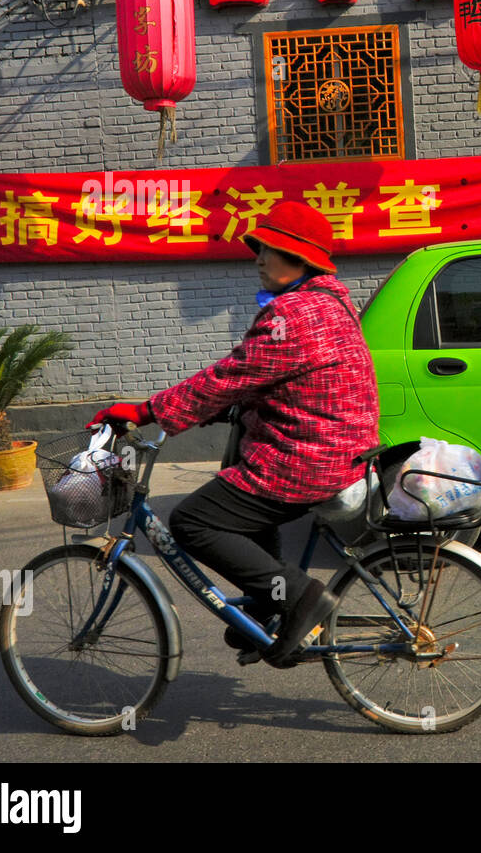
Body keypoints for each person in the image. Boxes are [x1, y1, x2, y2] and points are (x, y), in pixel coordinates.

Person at [89, 201, 379, 667]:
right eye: (258, 249)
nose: (258, 259)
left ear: (299, 258)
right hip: (332, 449)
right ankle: (268, 608)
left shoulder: (296, 314)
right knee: (247, 511)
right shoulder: (329, 301)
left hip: (307, 457)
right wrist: (217, 412)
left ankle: (302, 598)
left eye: (269, 250)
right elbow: (267, 379)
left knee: (192, 521)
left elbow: (233, 375)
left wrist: (146, 411)